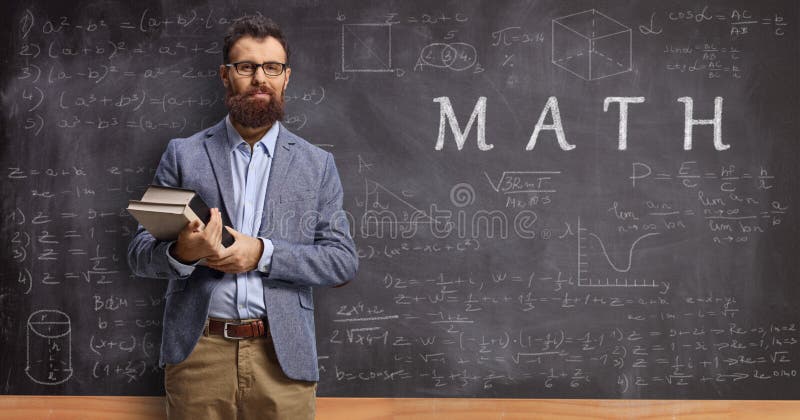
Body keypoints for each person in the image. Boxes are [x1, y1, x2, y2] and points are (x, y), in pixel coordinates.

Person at [127, 15, 358, 420]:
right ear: (225, 75)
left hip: (282, 359)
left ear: (286, 77)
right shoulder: (184, 155)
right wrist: (183, 252)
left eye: (272, 67)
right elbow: (140, 252)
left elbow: (341, 260)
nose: (259, 78)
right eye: (246, 66)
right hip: (199, 355)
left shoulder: (317, 165)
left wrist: (262, 254)